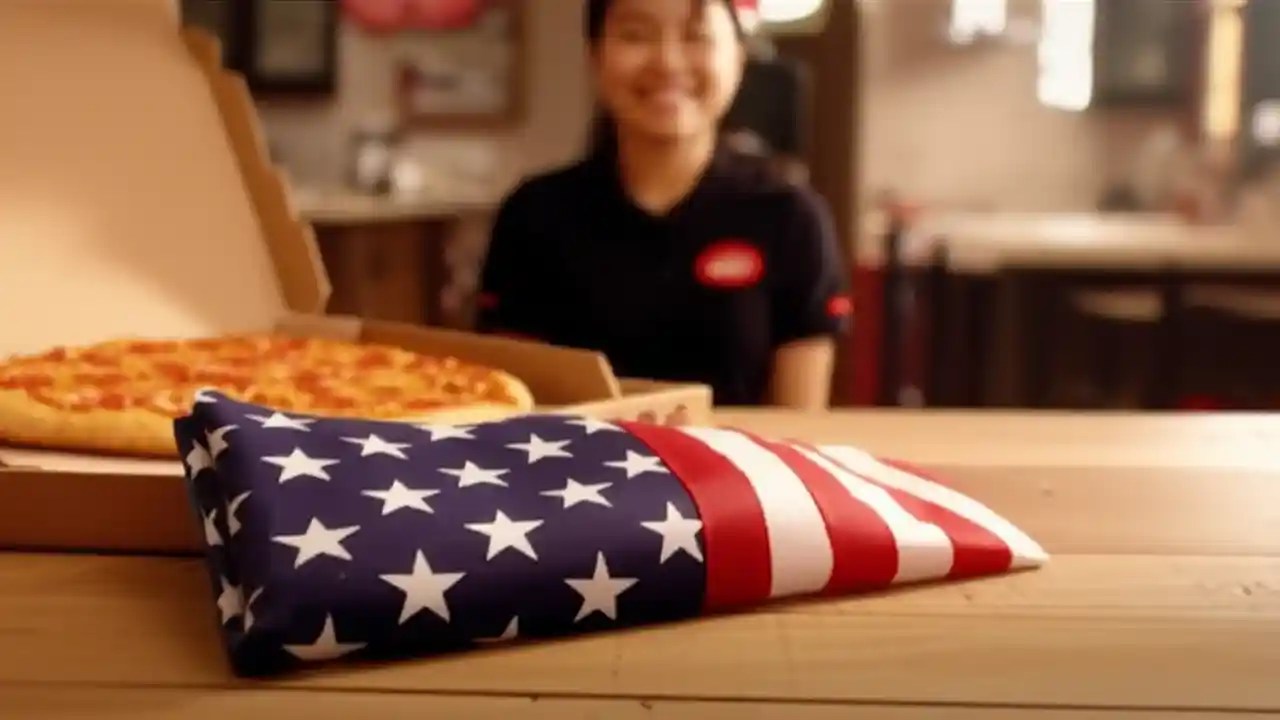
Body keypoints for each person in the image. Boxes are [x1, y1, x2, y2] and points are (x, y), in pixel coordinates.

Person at [475, 0, 851, 409]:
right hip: (570, 469)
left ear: (739, 58)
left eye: (696, 36)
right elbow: (513, 414)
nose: (668, 62)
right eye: (636, 35)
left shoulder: (790, 217)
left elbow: (800, 427)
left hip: (738, 470)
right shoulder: (534, 215)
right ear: (595, 56)